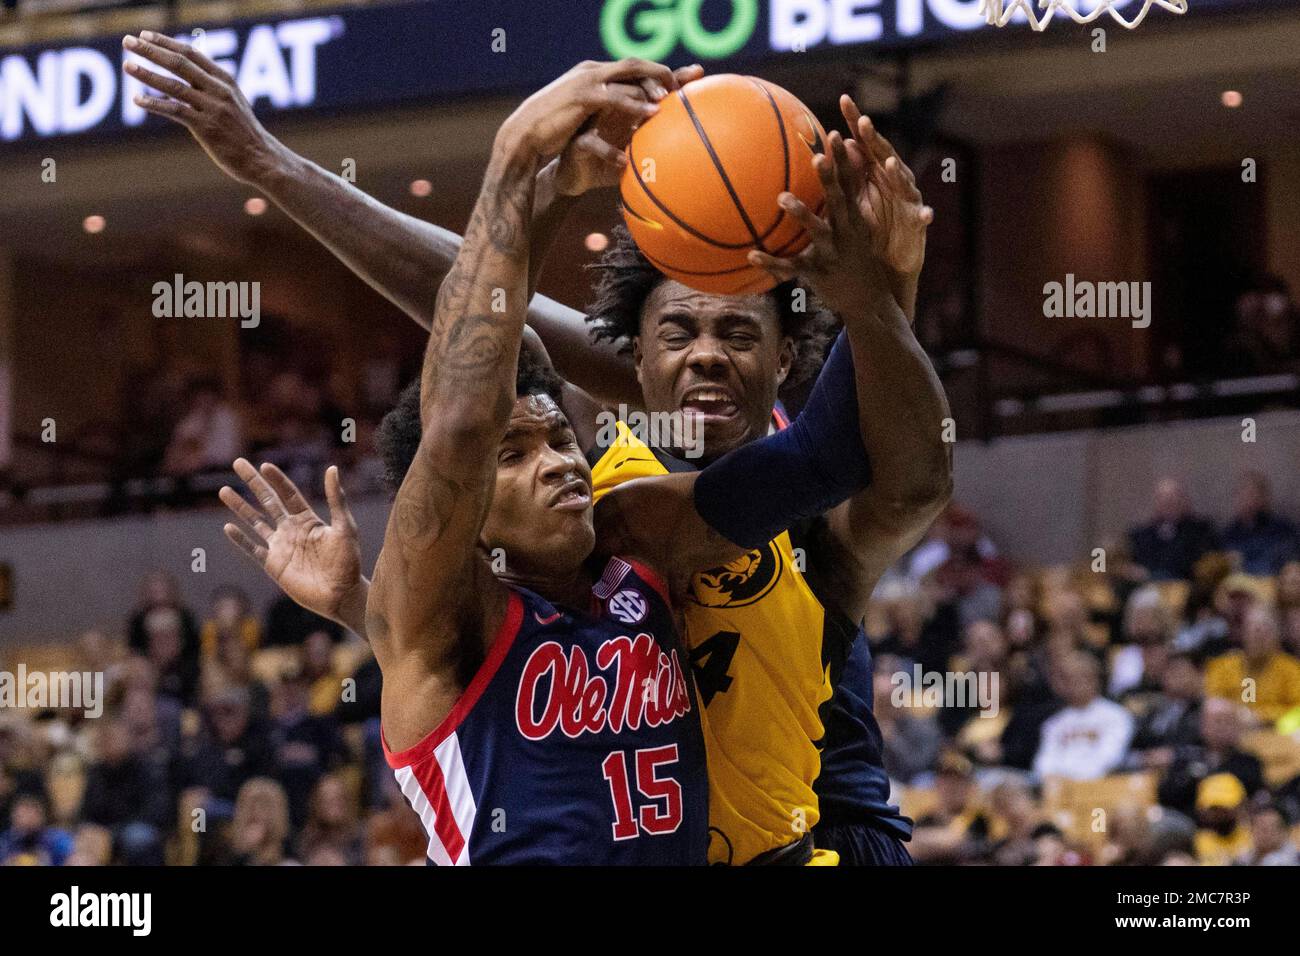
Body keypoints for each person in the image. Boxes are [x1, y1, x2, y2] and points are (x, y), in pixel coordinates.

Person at [126, 32, 952, 865]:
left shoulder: (664, 525)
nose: (706, 352)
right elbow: (470, 355)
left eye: (739, 330)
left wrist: (878, 289)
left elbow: (862, 464)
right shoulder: (612, 514)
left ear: (783, 356)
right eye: (679, 331)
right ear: (632, 356)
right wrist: (512, 183)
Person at [1032, 651, 1134, 781]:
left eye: (1082, 677)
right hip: (1059, 787)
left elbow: (1111, 758)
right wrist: (1055, 778)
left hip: (1099, 787)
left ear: (1095, 679)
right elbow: (1043, 763)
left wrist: (1073, 778)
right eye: (1069, 679)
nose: (1075, 685)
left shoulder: (1117, 716)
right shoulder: (1055, 722)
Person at [1205, 604, 1300, 725]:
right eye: (1253, 632)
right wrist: (1235, 713)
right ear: (1244, 634)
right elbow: (1213, 701)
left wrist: (1260, 715)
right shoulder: (1223, 666)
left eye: (1264, 634)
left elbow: (1297, 709)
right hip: (1228, 730)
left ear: (1276, 637)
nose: (1257, 639)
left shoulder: (1292, 669)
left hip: (1273, 731)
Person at [1127, 478, 1221, 582]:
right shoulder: (1140, 535)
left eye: (1173, 498)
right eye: (1163, 499)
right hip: (1148, 588)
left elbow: (1206, 563)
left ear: (1185, 500)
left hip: (1188, 586)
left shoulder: (1202, 531)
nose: (1169, 503)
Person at [1221, 471, 1299, 577]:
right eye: (1240, 494)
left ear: (1264, 498)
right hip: (1239, 587)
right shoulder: (1229, 534)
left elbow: (1284, 565)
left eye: (1251, 494)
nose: (1245, 500)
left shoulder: (1282, 530)